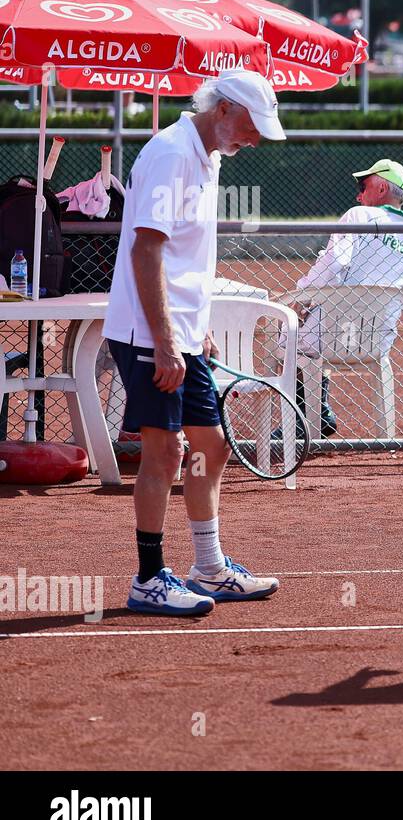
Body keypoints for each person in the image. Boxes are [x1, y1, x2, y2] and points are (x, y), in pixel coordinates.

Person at [103, 69, 286, 616]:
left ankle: (208, 567)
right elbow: (147, 251)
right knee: (163, 453)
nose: (255, 140)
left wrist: (195, 327)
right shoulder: (171, 154)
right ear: (225, 109)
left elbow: (185, 256)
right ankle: (148, 578)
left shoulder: (207, 156)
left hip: (181, 333)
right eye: (253, 126)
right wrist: (163, 341)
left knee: (211, 445)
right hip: (149, 335)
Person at [288, 158, 403, 435]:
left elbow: (333, 264)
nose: (358, 194)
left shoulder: (358, 216)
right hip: (377, 339)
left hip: (328, 335)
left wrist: (302, 298)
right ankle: (321, 411)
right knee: (320, 325)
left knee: (285, 332)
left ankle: (302, 421)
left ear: (380, 188)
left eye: (363, 186)